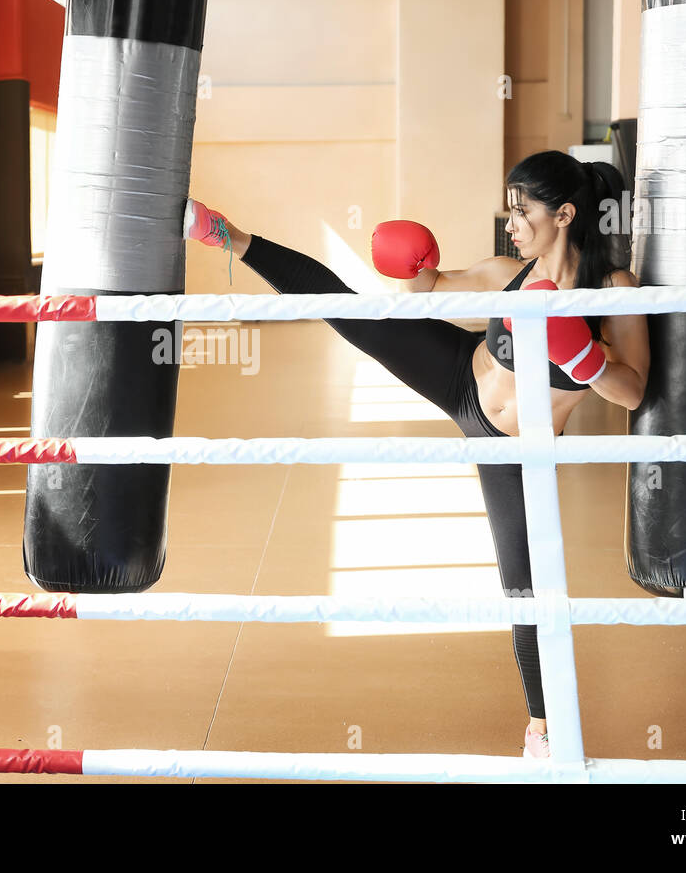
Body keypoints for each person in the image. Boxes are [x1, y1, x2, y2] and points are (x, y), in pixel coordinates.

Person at [184, 150, 650, 758]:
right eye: (508, 210)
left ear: (564, 214)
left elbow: (634, 389)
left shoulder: (614, 291)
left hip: (512, 444)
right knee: (350, 312)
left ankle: (543, 729)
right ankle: (227, 234)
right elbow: (426, 291)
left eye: (521, 210)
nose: (510, 222)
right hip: (460, 376)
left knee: (525, 587)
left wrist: (585, 359)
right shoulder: (508, 272)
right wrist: (415, 263)